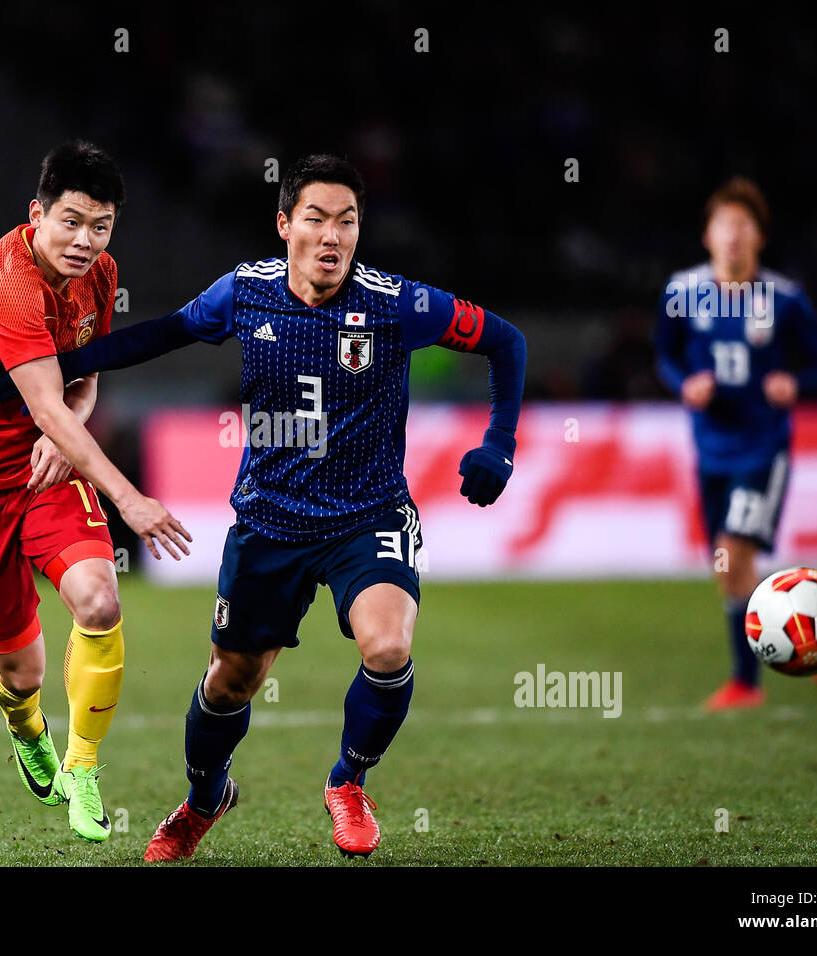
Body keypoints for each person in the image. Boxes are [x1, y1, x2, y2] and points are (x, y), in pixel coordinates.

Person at [52, 154, 526, 859]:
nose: (333, 235)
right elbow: (163, 333)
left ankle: (348, 782)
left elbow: (505, 341)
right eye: (317, 219)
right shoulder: (245, 292)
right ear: (285, 225)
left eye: (348, 221)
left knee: (389, 646)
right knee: (229, 681)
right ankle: (205, 795)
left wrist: (499, 443)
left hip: (367, 516)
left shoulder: (396, 304)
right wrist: (59, 367)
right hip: (270, 521)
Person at [0, 141, 192, 842]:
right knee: (21, 667)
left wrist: (64, 432)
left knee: (99, 600)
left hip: (47, 472)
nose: (85, 241)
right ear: (37, 214)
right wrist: (130, 497)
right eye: (70, 222)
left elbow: (82, 378)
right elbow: (47, 405)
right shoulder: (7, 281)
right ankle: (23, 719)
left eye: (101, 226)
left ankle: (84, 767)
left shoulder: (99, 275)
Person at [654, 176, 817, 711]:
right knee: (728, 568)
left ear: (760, 237)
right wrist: (684, 383)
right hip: (710, 449)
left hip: (763, 447)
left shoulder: (785, 298)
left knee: (732, 559)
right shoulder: (682, 293)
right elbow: (665, 356)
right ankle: (816, 626)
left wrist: (795, 385)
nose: (733, 235)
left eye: (743, 225)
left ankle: (745, 685)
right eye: (724, 225)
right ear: (707, 236)